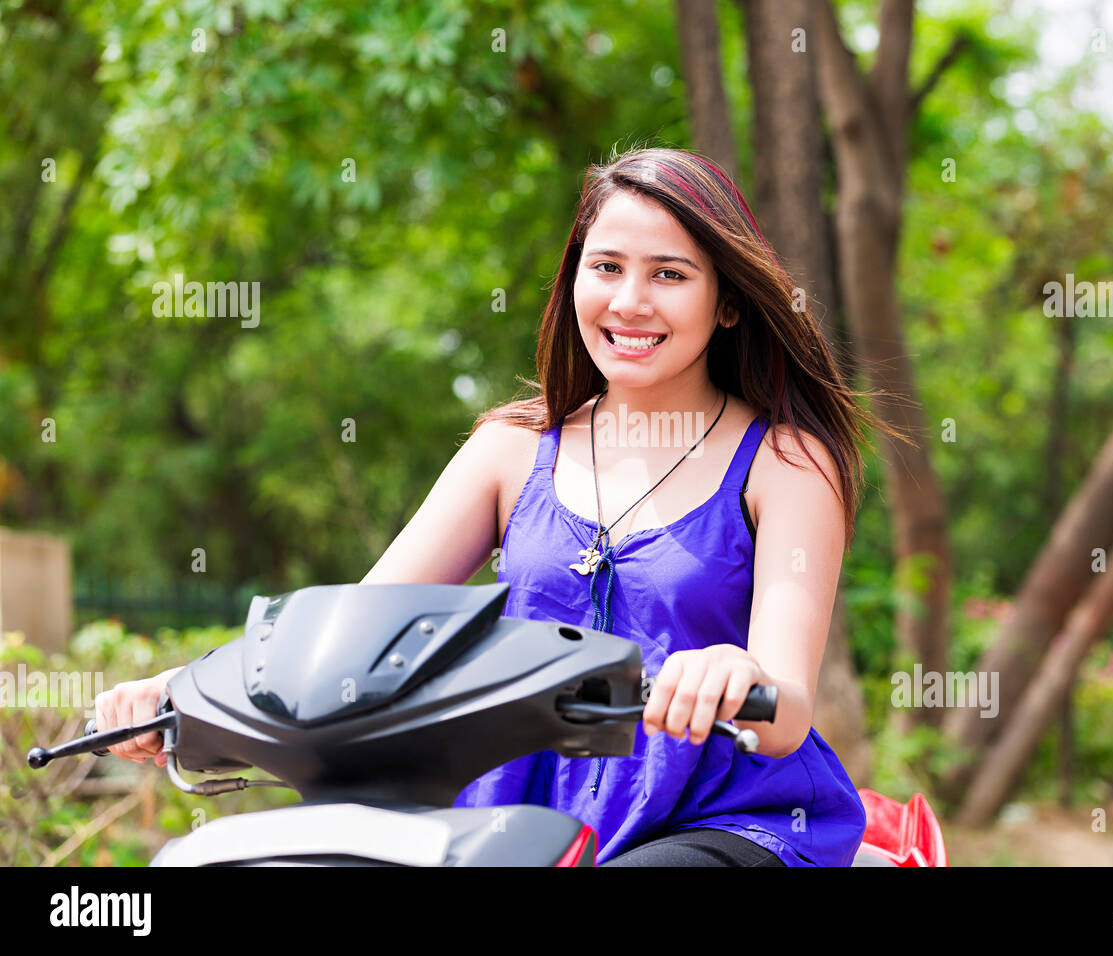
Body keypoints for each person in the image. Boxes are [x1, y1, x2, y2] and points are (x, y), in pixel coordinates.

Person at [93, 145, 908, 867]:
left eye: (669, 274)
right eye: (607, 266)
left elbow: (786, 706)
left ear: (726, 302)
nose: (629, 301)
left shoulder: (787, 463)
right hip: (516, 819)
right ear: (575, 277)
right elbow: (354, 628)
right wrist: (187, 685)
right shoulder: (512, 446)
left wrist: (736, 673)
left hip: (724, 820)